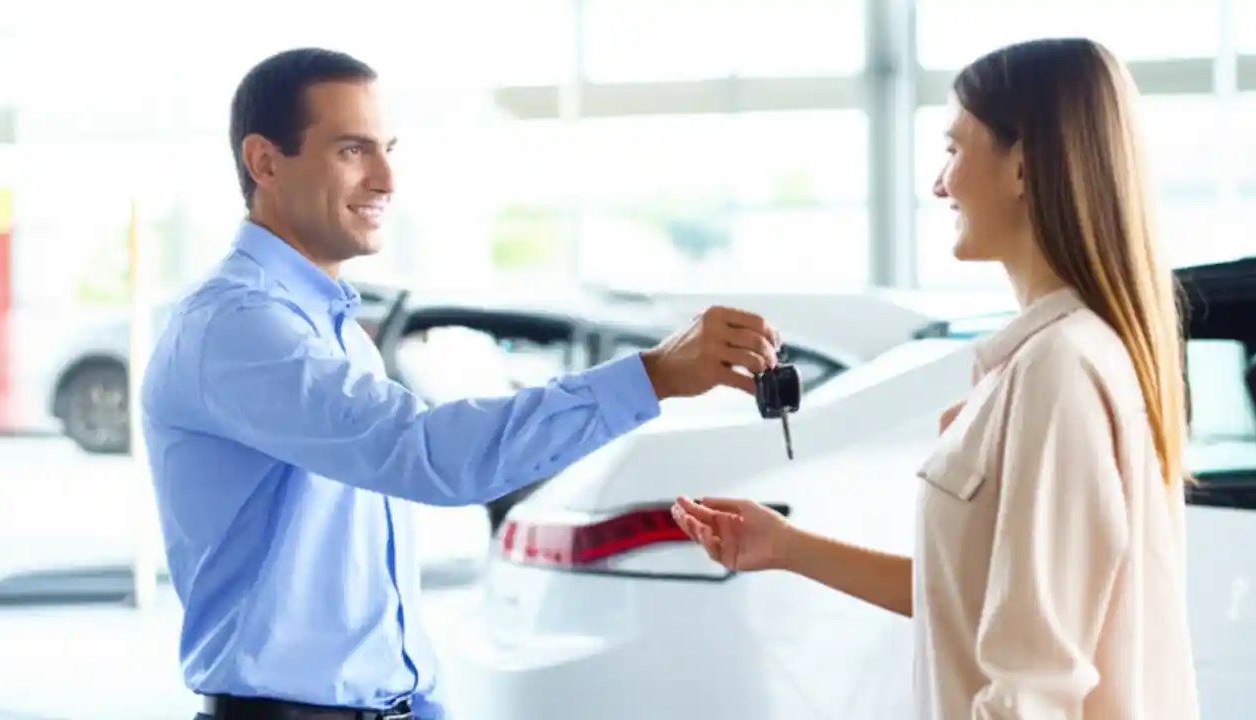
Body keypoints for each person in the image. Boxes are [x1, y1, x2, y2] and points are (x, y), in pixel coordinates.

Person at [140, 48, 782, 720]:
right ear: (265, 162)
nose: (387, 178)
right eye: (352, 151)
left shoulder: (334, 328)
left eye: (387, 148)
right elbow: (430, 455)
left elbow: (363, 588)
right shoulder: (238, 326)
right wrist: (650, 377)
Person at [672, 37, 1200, 719]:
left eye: (955, 148)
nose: (939, 183)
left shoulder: (1059, 370)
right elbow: (983, 600)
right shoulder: (1053, 360)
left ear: (1023, 165)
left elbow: (1033, 689)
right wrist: (787, 547)